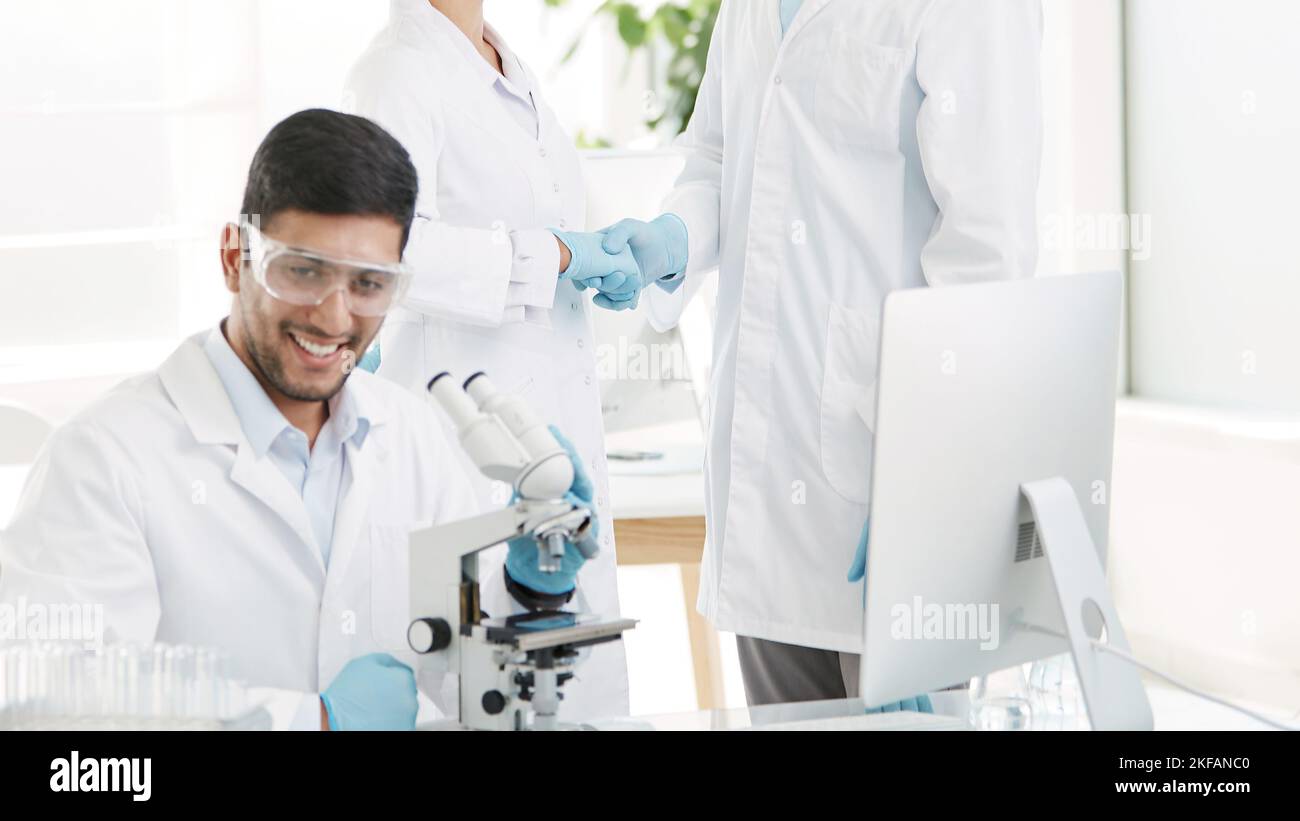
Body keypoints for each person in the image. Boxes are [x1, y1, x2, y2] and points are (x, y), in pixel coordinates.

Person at [0, 109, 599, 730]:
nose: (334, 318)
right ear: (235, 256)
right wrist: (310, 722)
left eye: (369, 283)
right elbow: (45, 709)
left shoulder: (415, 436)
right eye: (303, 271)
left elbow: (469, 677)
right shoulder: (104, 457)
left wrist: (535, 588)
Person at [590, 0, 1043, 707]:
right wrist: (676, 235)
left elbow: (988, 259)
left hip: (885, 485)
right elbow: (717, 150)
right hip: (765, 488)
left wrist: (923, 487)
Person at [343, 0, 636, 720]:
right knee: (487, 681)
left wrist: (600, 254)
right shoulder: (395, 72)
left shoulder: (503, 62)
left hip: (552, 442)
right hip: (466, 447)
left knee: (576, 683)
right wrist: (553, 255)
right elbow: (390, 246)